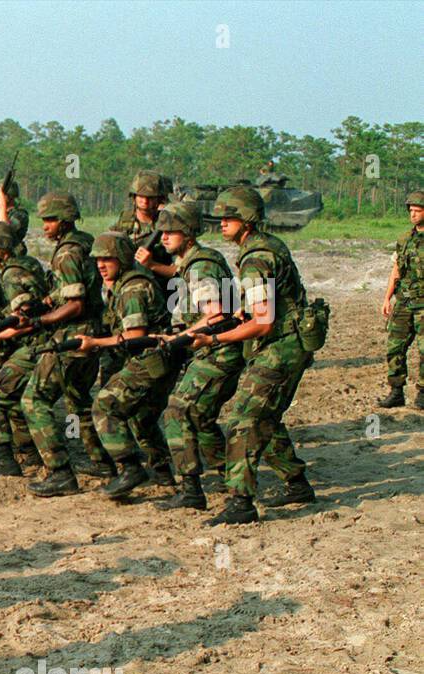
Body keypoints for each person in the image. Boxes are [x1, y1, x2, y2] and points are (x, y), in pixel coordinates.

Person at [202, 186, 315, 525]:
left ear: (247, 221)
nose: (222, 223)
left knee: (242, 419)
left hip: (281, 347)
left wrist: (217, 338)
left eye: (230, 217)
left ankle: (241, 502)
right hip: (289, 342)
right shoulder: (266, 246)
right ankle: (297, 483)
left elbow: (263, 322)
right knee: (265, 415)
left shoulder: (256, 258)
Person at [21, 192, 112, 497]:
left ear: (64, 220)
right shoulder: (86, 242)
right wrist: (47, 301)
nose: (45, 225)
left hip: (73, 334)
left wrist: (43, 321)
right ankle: (103, 460)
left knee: (34, 399)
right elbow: (72, 291)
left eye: (50, 219)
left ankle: (59, 471)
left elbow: (75, 303)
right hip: (94, 330)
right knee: (77, 397)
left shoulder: (66, 253)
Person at [72, 232, 174, 499]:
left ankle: (130, 468)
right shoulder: (123, 285)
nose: (101, 265)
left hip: (150, 359)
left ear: (123, 259)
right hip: (157, 360)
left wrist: (95, 343)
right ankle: (163, 472)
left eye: (108, 259)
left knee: (105, 405)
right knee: (142, 417)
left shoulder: (132, 288)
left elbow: (135, 336)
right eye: (98, 260)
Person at [157, 201, 243, 510]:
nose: (164, 237)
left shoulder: (200, 266)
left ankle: (191, 489)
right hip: (216, 350)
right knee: (202, 416)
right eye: (162, 231)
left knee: (177, 412)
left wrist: (177, 340)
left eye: (172, 231)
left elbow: (216, 315)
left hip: (218, 351)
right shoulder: (194, 262)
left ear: (189, 234)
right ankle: (227, 474)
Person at [0, 221, 52, 477]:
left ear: (4, 248)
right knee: (15, 399)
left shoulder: (11, 274)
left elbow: (24, 321)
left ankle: (5, 462)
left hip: (34, 345)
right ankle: (30, 451)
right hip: (43, 341)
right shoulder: (28, 264)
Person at [378, 190, 424, 408]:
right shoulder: (405, 239)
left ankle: (423, 393)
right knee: (395, 347)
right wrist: (387, 298)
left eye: (418, 210)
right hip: (404, 302)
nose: (413, 215)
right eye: (411, 211)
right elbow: (396, 270)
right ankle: (396, 391)